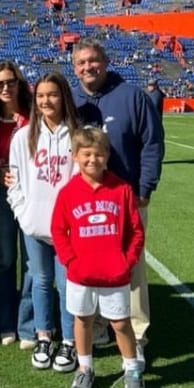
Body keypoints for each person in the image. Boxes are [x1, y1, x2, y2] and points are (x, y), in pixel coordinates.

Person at [70, 37, 163, 368]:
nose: (87, 67)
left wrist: (145, 186)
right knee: (91, 264)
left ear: (106, 62)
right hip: (88, 202)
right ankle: (96, 325)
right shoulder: (73, 100)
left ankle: (137, 335)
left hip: (126, 198)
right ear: (74, 67)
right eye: (81, 63)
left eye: (93, 61)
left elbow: (152, 143)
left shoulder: (132, 97)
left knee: (131, 267)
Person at [52, 127, 147, 388]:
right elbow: (59, 230)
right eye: (86, 154)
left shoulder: (122, 189)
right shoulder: (68, 192)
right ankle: (85, 368)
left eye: (98, 154)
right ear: (75, 156)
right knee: (82, 320)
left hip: (114, 275)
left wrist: (126, 262)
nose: (92, 159)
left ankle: (132, 371)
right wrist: (71, 262)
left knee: (120, 323)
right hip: (81, 275)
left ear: (107, 156)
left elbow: (136, 231)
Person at [8, 71, 79, 372]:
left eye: (52, 94)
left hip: (67, 230)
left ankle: (69, 341)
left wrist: (71, 220)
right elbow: (14, 181)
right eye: (40, 96)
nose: (46, 100)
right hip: (34, 226)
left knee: (66, 285)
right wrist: (23, 214)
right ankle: (43, 336)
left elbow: (83, 182)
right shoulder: (23, 137)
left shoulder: (78, 135)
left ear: (64, 97)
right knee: (40, 281)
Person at [0, 60, 34, 347]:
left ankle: (27, 323)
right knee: (5, 259)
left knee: (32, 262)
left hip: (31, 196)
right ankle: (6, 322)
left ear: (19, 83)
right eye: (0, 83)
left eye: (11, 82)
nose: (5, 87)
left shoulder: (34, 116)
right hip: (0, 196)